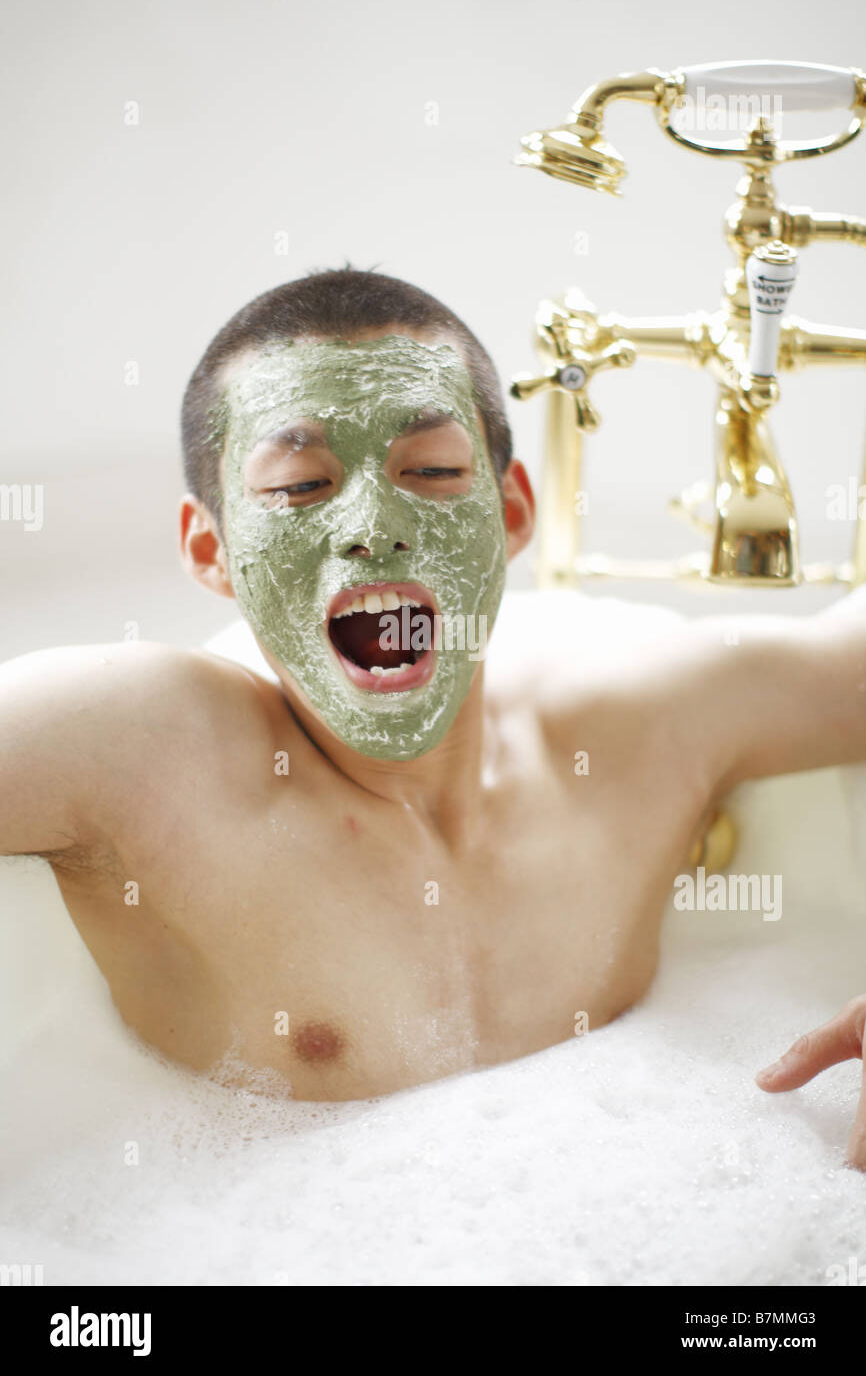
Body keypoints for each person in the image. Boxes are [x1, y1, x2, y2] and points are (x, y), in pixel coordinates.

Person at [1, 266, 865, 1162]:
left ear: (513, 510)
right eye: (299, 485)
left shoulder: (633, 732)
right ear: (211, 548)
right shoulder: (146, 751)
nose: (373, 525)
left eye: (433, 470)